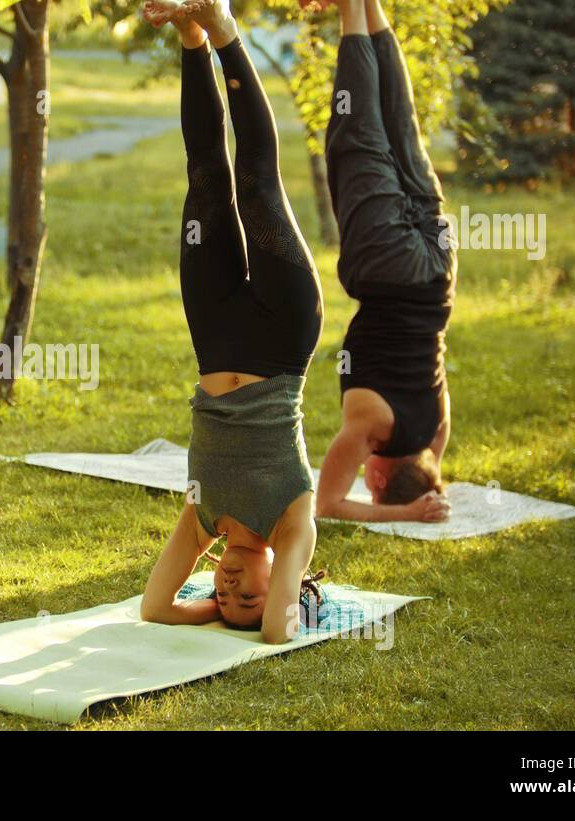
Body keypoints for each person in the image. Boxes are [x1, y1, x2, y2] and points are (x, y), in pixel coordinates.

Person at [137, 0, 325, 644]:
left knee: (205, 181)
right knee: (257, 181)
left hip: (213, 333)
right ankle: (225, 31)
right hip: (284, 333)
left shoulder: (202, 519)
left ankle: (190, 32)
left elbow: (155, 609)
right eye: (250, 597)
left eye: (224, 599)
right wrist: (257, 618)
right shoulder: (293, 521)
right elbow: (276, 633)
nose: (231, 589)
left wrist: (208, 615)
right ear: (286, 585)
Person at [314, 0, 457, 524]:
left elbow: (429, 464)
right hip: (386, 265)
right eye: (373, 484)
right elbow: (327, 504)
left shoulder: (434, 429)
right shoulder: (370, 426)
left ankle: (368, 5)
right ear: (377, 478)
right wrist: (406, 513)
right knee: (359, 137)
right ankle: (351, 10)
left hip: (439, 269)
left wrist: (427, 488)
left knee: (401, 126)